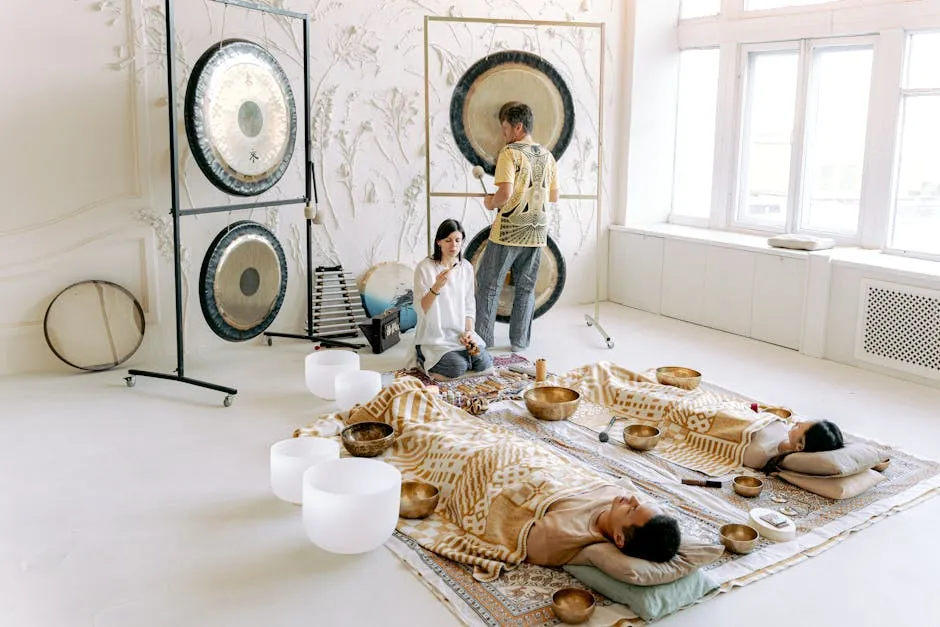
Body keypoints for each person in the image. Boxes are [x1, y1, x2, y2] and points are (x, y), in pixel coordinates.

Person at [476, 101, 559, 354]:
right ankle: (520, 343)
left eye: (505, 129)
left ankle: (482, 342)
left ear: (518, 127)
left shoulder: (510, 153)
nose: (503, 134)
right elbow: (554, 196)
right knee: (526, 287)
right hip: (537, 231)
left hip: (509, 231)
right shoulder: (548, 156)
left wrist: (490, 202)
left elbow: (505, 193)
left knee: (489, 284)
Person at [414, 219, 493, 380]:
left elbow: (469, 304)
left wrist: (468, 332)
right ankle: (422, 357)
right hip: (435, 337)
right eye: (448, 240)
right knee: (457, 367)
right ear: (439, 242)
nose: (454, 245)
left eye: (457, 240)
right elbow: (421, 308)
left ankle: (459, 357)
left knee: (484, 363)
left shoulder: (466, 267)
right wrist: (436, 287)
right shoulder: (425, 267)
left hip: (460, 334)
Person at [526, 486, 682, 567]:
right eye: (641, 503)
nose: (633, 498)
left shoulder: (558, 534)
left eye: (632, 509)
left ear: (619, 538)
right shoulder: (619, 493)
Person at [743, 419, 844, 471]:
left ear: (799, 447)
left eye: (799, 427)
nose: (797, 422)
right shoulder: (787, 431)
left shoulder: (761, 453)